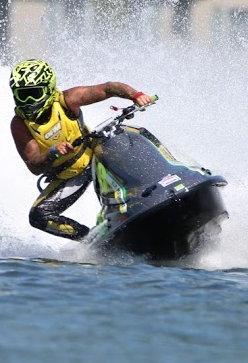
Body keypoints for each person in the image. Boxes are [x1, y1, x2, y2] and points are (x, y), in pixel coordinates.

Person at [9, 59, 154, 240]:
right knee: (38, 216)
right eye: (23, 95)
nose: (29, 101)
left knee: (135, 133)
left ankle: (174, 174)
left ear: (48, 88)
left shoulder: (67, 99)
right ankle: (90, 239)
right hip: (70, 175)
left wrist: (135, 95)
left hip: (97, 155)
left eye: (34, 93)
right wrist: (52, 152)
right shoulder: (20, 125)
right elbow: (34, 165)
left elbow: (108, 88)